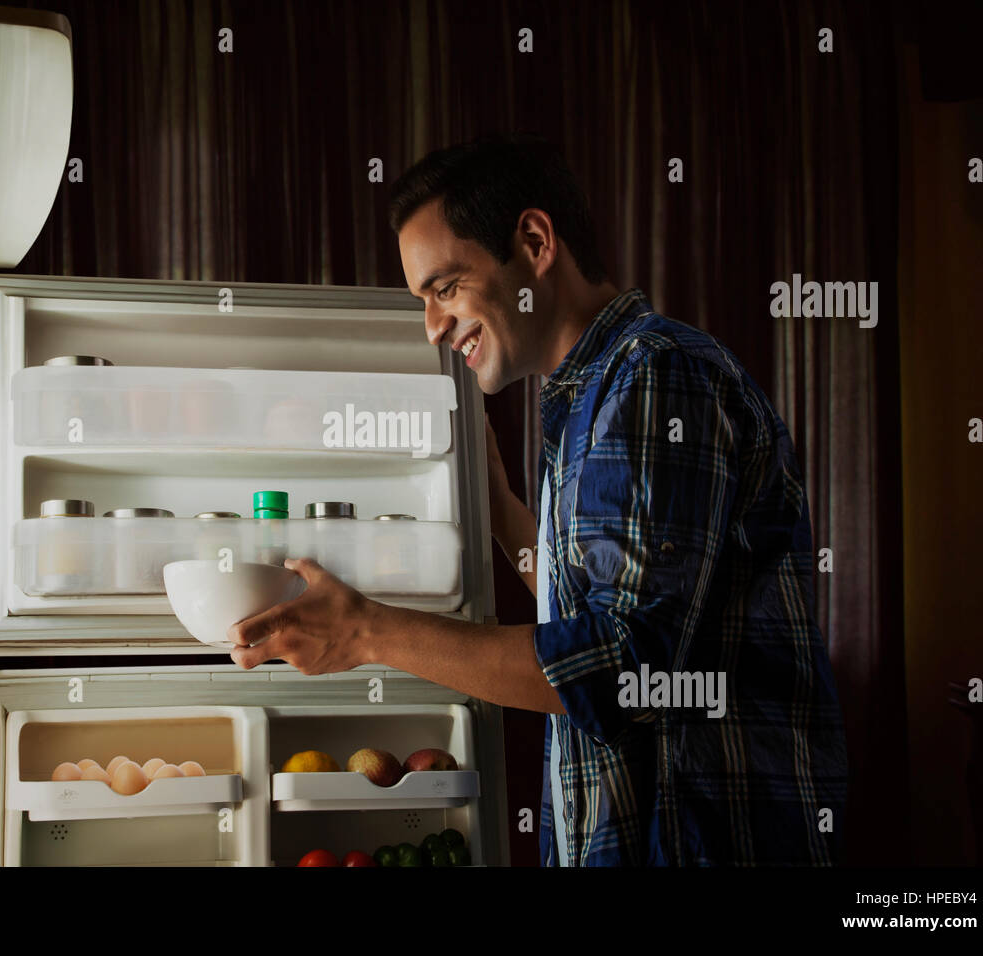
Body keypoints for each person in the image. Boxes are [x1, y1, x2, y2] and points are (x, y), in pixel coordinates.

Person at [229, 133, 848, 866]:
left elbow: (625, 668)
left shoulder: (654, 377)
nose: (432, 325)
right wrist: (499, 506)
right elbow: (582, 609)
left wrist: (366, 631)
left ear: (533, 242)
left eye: (445, 287)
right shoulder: (587, 402)